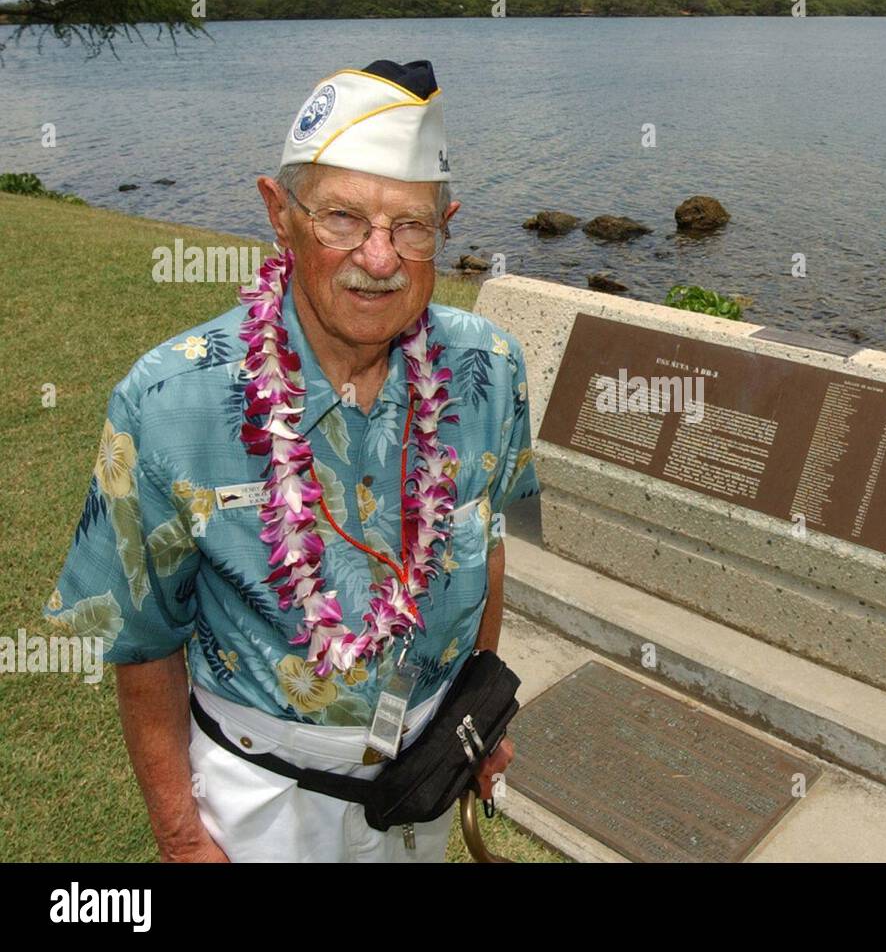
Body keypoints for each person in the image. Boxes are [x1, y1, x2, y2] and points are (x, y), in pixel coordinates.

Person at [44, 59, 541, 862]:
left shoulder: (493, 369)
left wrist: (477, 709)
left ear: (447, 224)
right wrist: (180, 837)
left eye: (411, 226)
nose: (378, 259)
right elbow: (141, 642)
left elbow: (491, 544)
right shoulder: (169, 399)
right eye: (342, 217)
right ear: (280, 215)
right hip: (260, 799)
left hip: (425, 780)